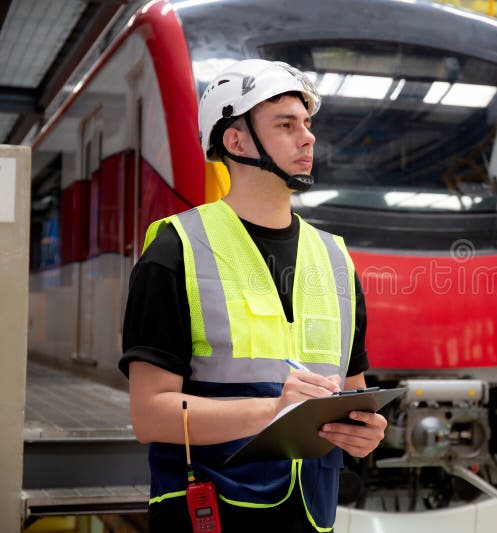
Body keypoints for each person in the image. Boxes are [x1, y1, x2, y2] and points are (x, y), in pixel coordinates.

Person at [119, 59, 387, 532]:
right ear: (235, 141)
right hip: (208, 512)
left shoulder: (335, 259)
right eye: (286, 125)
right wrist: (274, 411)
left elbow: (353, 390)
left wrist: (362, 432)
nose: (308, 138)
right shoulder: (176, 249)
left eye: (306, 124)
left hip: (312, 514)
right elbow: (150, 415)